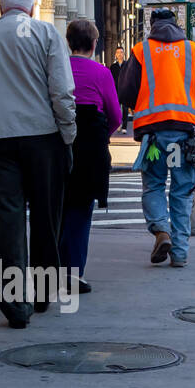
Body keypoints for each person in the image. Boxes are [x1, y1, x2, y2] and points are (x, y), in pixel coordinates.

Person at [0, 0, 75, 329]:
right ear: (32, 9)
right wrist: (67, 134)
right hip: (43, 136)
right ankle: (43, 291)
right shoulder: (47, 34)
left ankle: (14, 305)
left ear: (0, 9)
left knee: (7, 221)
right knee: (46, 216)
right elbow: (61, 91)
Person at [117, 6, 195, 268]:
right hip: (187, 134)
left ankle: (162, 230)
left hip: (153, 134)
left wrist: (140, 102)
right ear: (176, 24)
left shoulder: (142, 50)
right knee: (182, 191)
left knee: (154, 186)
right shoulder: (191, 50)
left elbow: (124, 92)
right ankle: (180, 253)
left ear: (152, 25)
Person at [61, 18, 122, 294]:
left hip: (58, 146)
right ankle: (74, 273)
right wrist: (99, 137)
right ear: (95, 44)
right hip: (89, 150)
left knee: (56, 208)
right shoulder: (101, 73)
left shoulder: (57, 69)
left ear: (68, 42)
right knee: (81, 210)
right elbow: (115, 116)